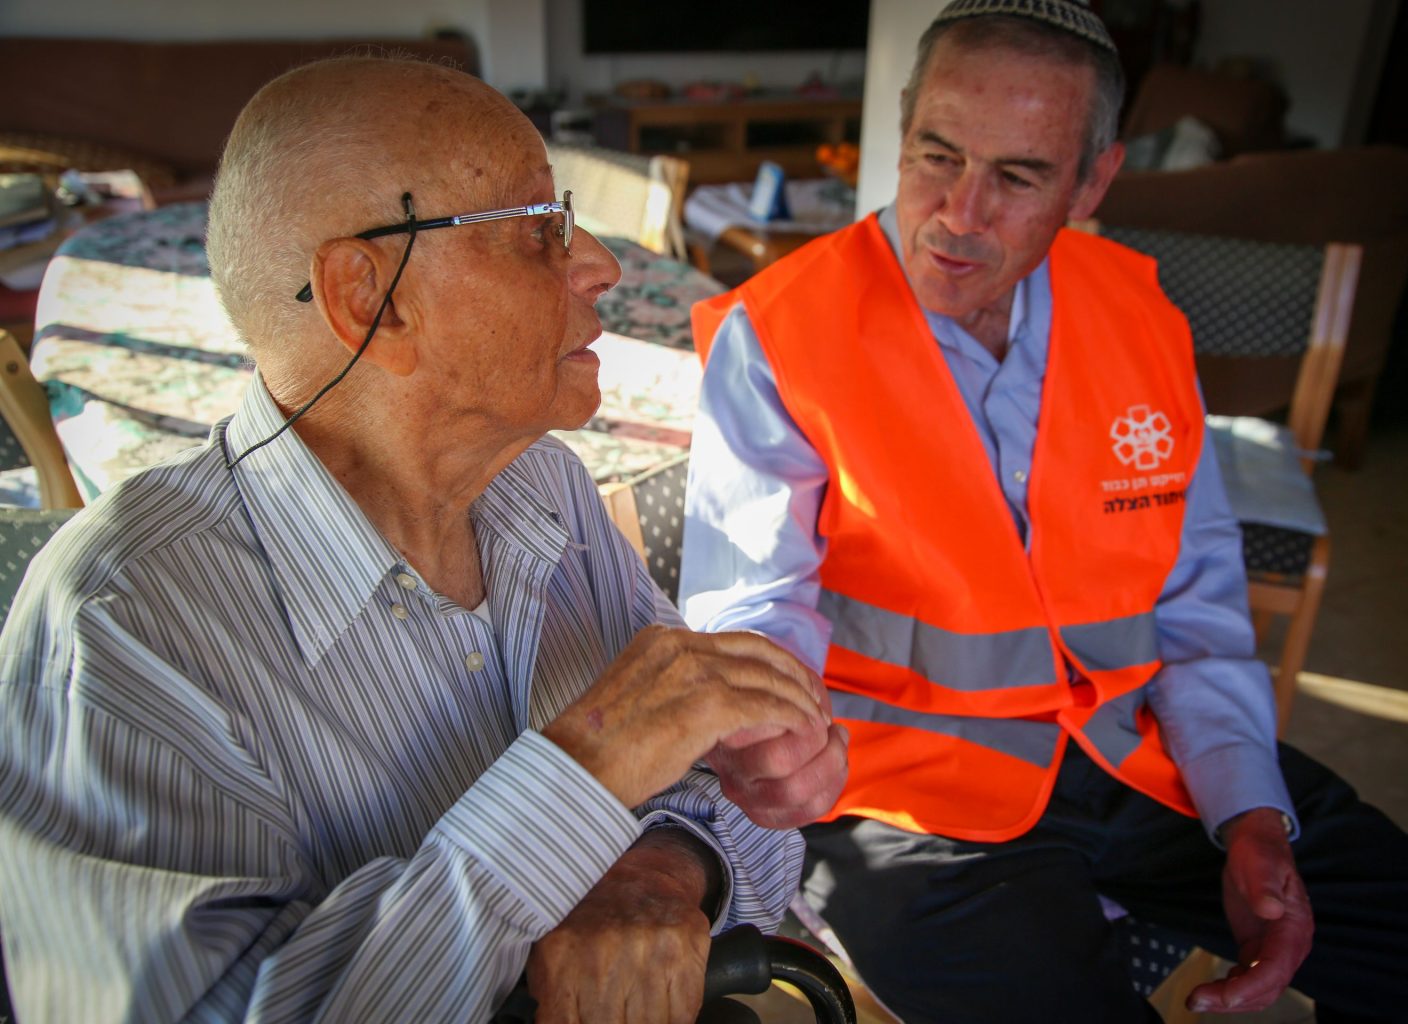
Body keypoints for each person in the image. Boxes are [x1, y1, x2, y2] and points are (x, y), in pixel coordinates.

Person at [680, 2, 1408, 1021]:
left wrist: (1248, 806)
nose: (958, 212)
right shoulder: (781, 333)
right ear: (902, 129)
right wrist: (769, 737)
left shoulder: (1139, 317)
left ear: (1094, 180)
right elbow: (752, 601)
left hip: (1137, 753)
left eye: (1019, 176)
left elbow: (1196, 603)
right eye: (936, 155)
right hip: (907, 804)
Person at [0, 57, 847, 1023]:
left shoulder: (548, 492)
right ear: (370, 296)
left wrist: (656, 872)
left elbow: (749, 817)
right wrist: (585, 769)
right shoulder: (123, 619)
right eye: (539, 233)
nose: (602, 266)